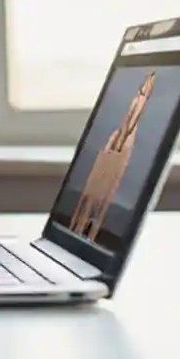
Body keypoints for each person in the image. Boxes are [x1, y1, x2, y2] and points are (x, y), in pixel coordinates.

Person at [70, 71, 156, 242]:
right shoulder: (120, 130)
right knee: (85, 210)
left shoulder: (130, 137)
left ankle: (87, 236)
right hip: (108, 159)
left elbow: (131, 124)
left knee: (97, 212)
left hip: (115, 161)